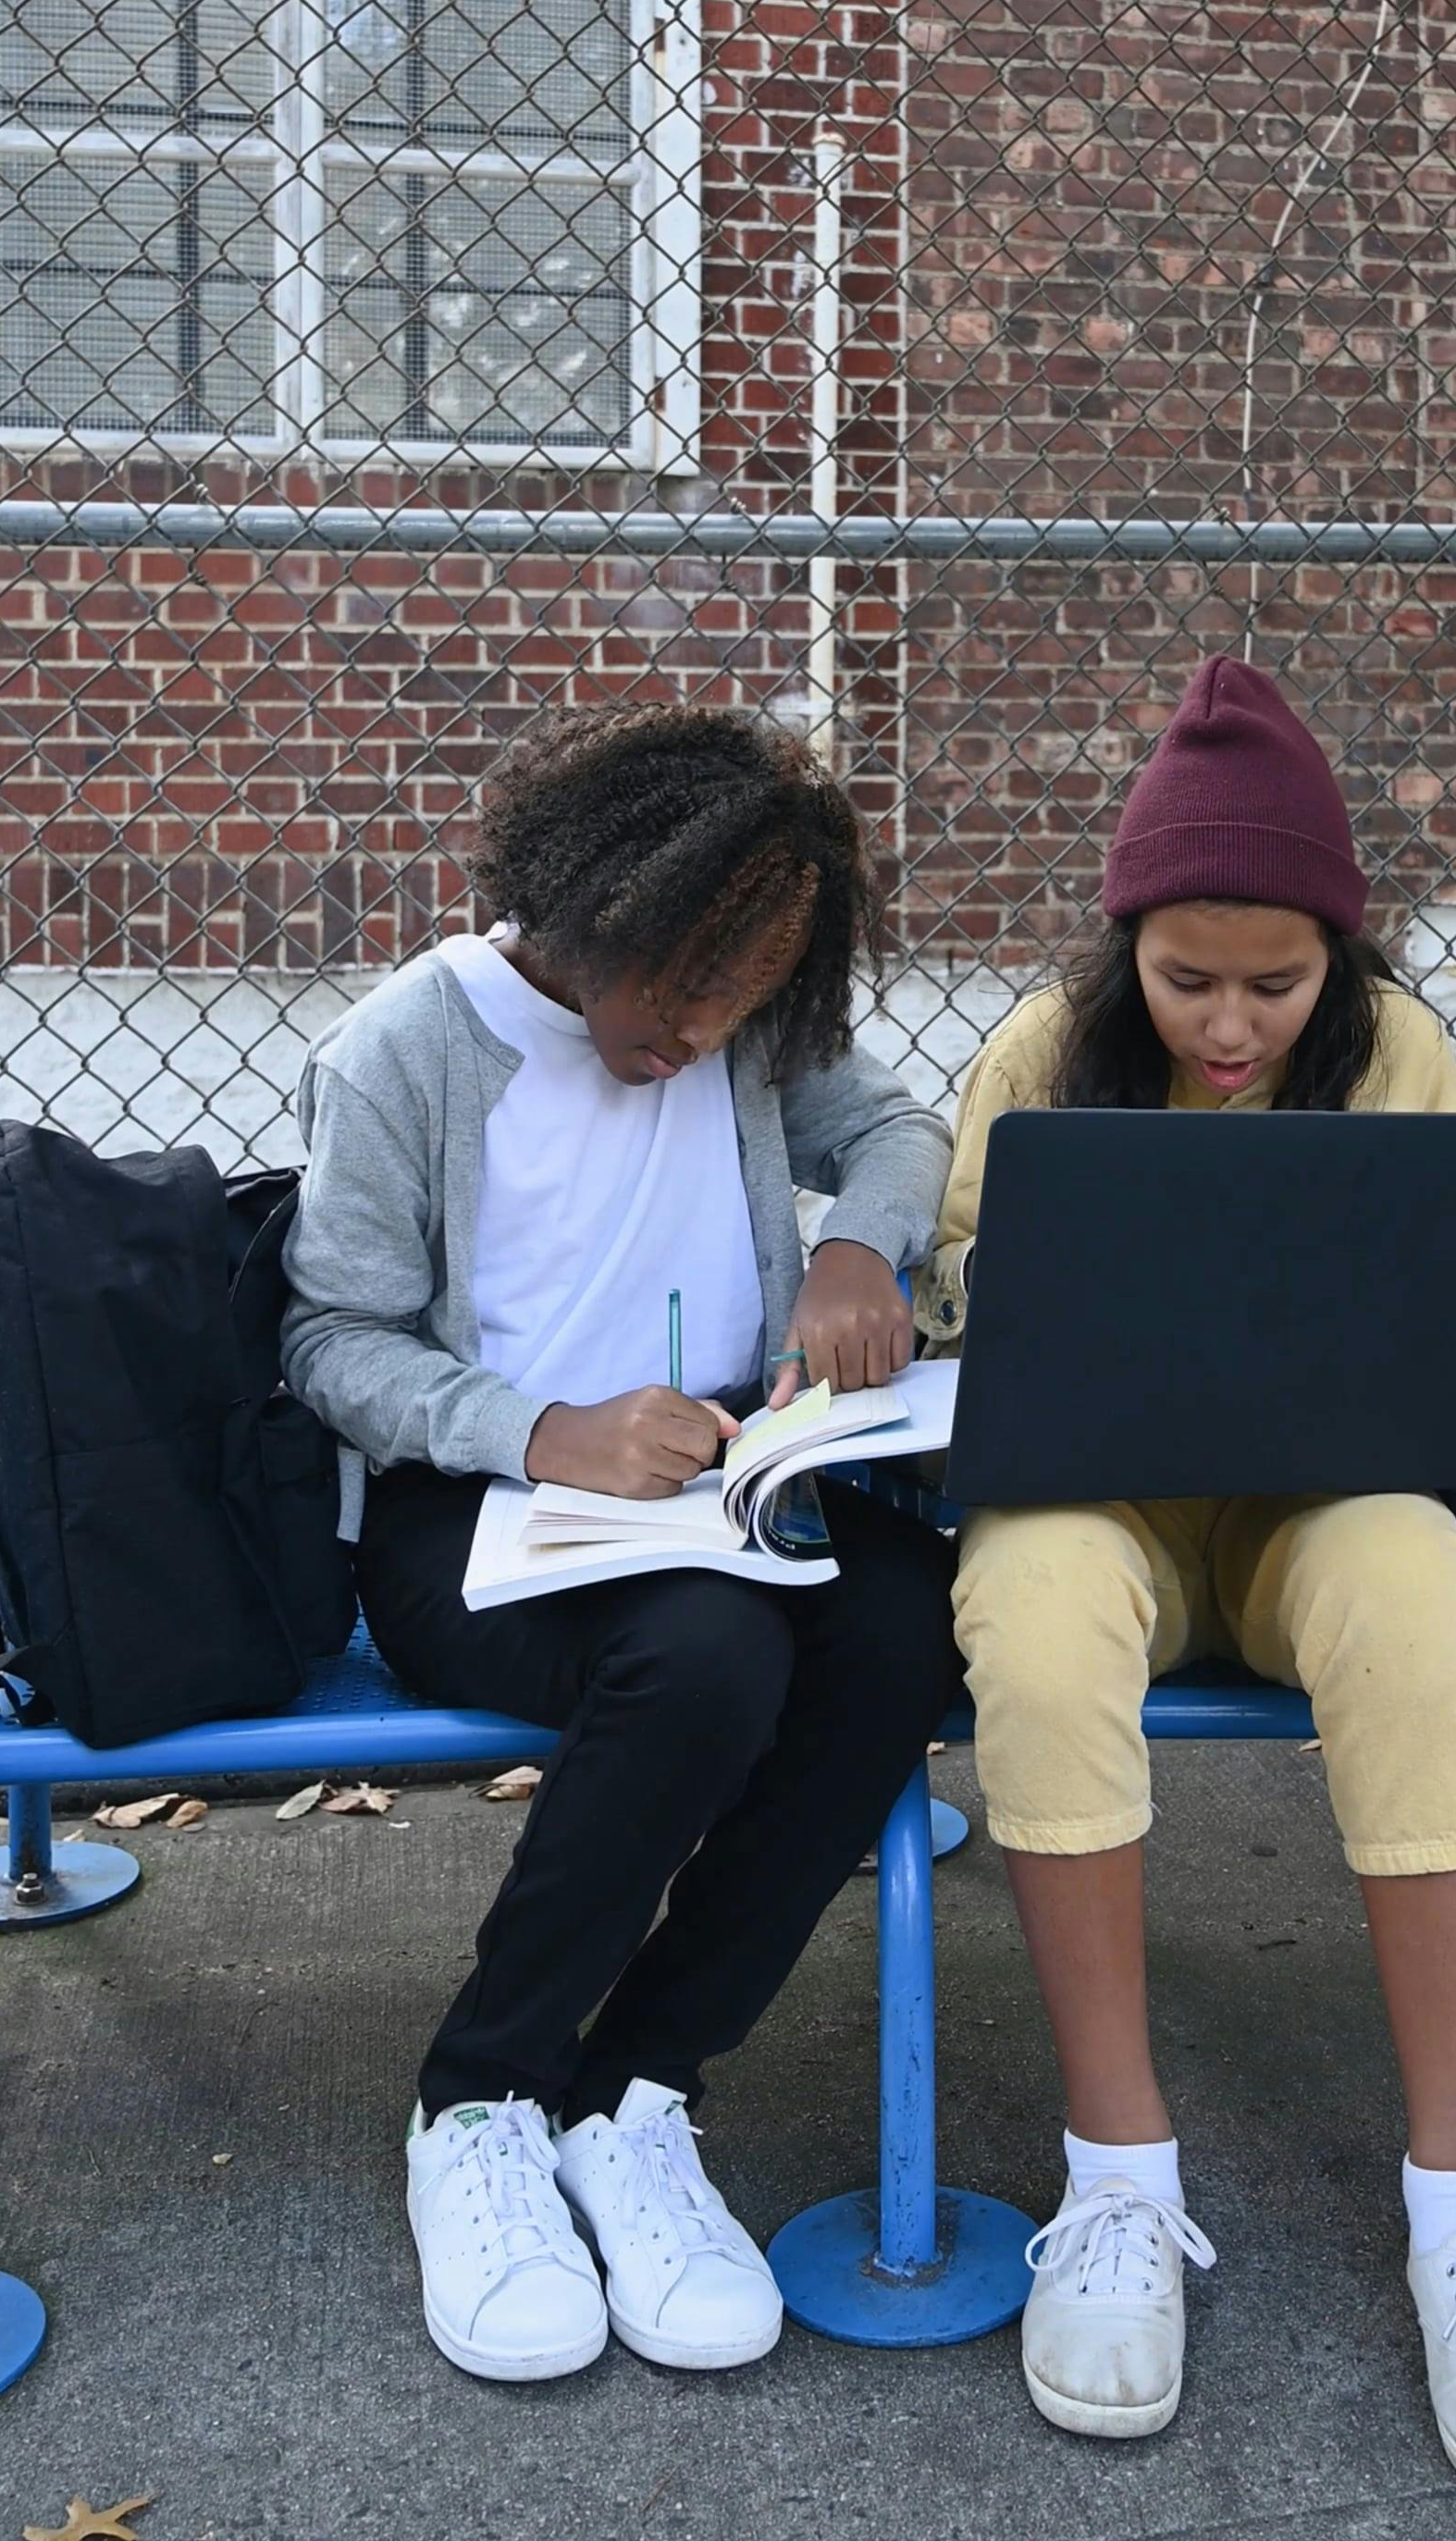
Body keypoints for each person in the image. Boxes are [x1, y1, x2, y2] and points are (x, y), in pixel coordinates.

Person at [921, 655, 1456, 2501]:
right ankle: (1117, 2183)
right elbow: (970, 1302)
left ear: (1342, 959)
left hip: (1323, 1505)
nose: (1229, 1026)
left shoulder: (1405, 1055)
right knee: (1037, 1614)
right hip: (1104, 1506)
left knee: (1410, 1590)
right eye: (1186, 979)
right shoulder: (1037, 1055)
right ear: (1126, 948)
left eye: (1276, 986)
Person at [283, 698, 959, 2387]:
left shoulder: (738, 1022)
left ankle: (635, 2095)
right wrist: (541, 1430)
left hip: (720, 1480)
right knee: (706, 1658)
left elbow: (897, 1132)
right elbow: (332, 1340)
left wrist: (855, 1252)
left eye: (744, 1006)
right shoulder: (405, 1050)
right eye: (678, 995)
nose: (699, 1039)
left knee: (904, 1631)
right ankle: (482, 2101)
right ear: (594, 903)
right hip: (482, 1514)